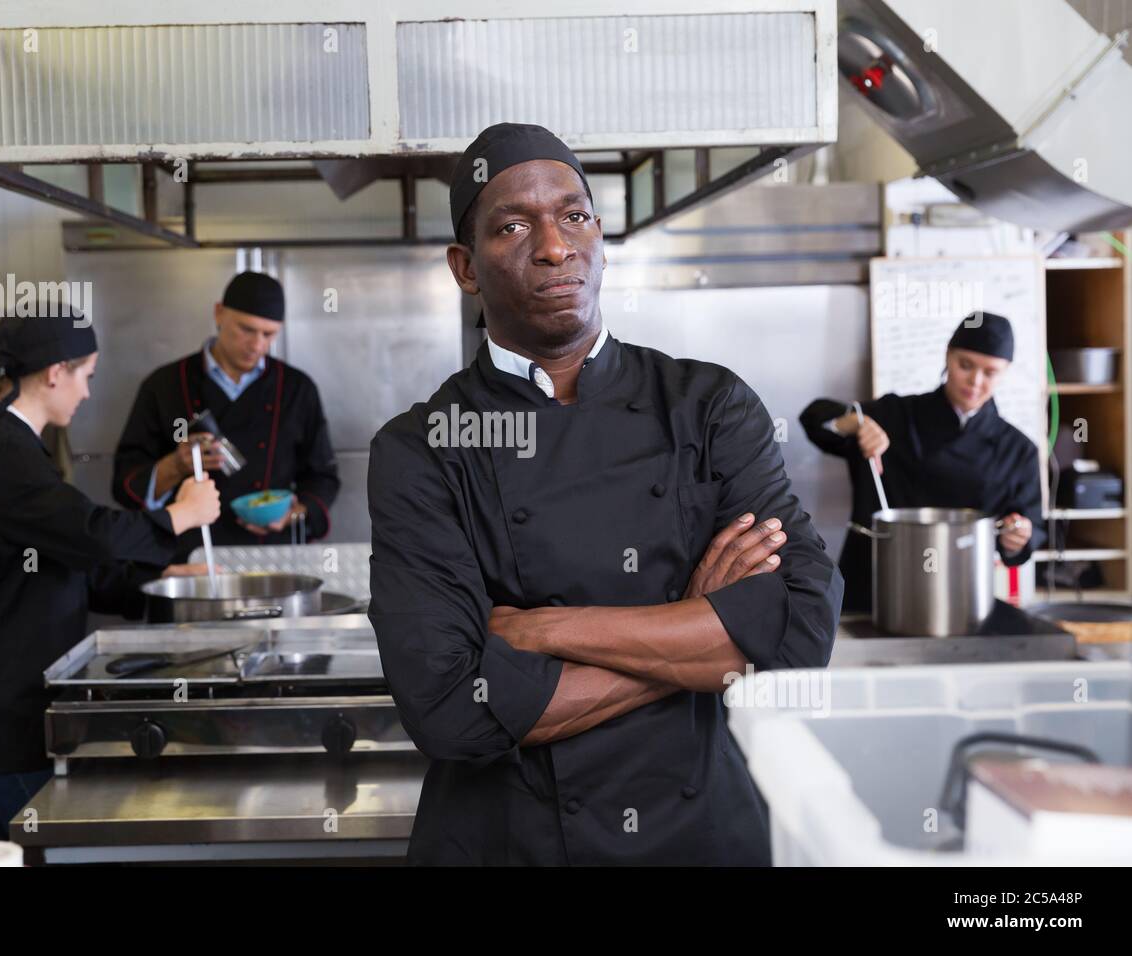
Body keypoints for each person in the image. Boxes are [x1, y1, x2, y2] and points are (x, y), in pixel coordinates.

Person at [367, 123, 843, 865]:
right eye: (513, 225)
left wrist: (543, 631)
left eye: (574, 215)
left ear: (601, 239)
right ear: (465, 267)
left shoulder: (708, 405)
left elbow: (800, 633)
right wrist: (700, 629)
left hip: (699, 836)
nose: (554, 247)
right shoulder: (423, 446)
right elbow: (453, 710)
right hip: (512, 842)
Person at [0, 308, 220, 840]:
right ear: (54, 373)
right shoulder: (0, 452)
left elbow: (75, 563)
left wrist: (161, 580)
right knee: (58, 850)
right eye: (86, 376)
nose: (88, 393)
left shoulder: (18, 447)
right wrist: (178, 516)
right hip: (6, 711)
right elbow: (93, 532)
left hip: (12, 708)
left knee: (4, 856)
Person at [800, 313, 1041, 613]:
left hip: (959, 591)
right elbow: (813, 418)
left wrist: (1017, 537)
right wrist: (855, 424)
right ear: (948, 356)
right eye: (965, 365)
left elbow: (1029, 528)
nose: (975, 381)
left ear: (1005, 372)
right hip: (871, 585)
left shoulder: (1018, 450)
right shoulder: (895, 415)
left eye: (990, 372)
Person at [112, 271, 340, 550]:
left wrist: (294, 513)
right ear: (218, 313)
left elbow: (323, 477)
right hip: (187, 554)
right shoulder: (166, 384)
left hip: (273, 554)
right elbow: (125, 482)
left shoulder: (296, 389)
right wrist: (176, 465)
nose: (257, 345)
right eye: (246, 329)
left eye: (268, 334)